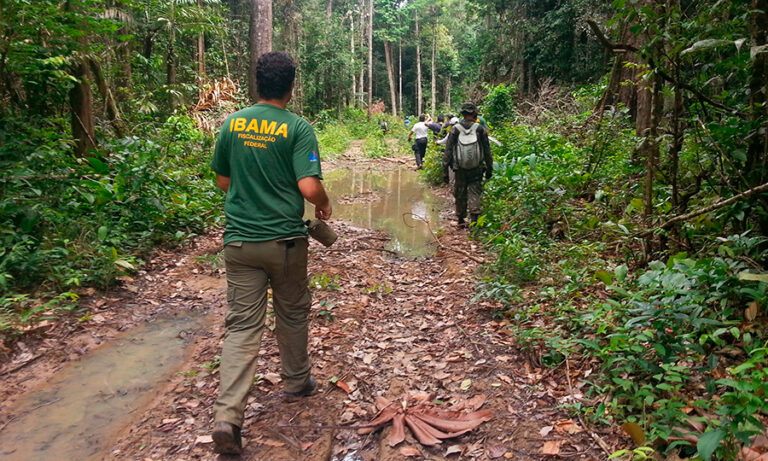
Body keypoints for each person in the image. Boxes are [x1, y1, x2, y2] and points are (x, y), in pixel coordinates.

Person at [209, 51, 332, 456]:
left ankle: (228, 416)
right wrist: (323, 205)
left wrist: (252, 196)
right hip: (284, 242)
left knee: (242, 326)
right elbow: (309, 187)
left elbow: (223, 180)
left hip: (240, 242)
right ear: (291, 87)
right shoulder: (297, 128)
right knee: (292, 311)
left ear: (257, 83)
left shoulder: (232, 124)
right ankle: (296, 382)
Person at [442, 102, 492, 226]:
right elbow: (487, 150)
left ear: (462, 114)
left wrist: (445, 171)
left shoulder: (455, 129)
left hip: (459, 168)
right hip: (477, 167)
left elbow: (448, 151)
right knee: (474, 191)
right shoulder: (480, 129)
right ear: (474, 113)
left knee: (460, 192)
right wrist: (489, 168)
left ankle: (460, 219)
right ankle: (474, 219)